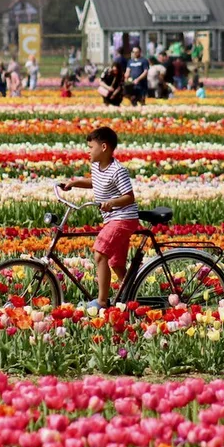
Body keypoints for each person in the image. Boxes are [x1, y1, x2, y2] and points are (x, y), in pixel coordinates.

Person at [58, 126, 140, 310]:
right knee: (116, 263)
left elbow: (129, 197)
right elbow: (95, 182)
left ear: (104, 147)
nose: (88, 151)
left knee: (100, 254)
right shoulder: (96, 166)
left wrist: (112, 202)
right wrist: (74, 183)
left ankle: (102, 301)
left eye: (90, 147)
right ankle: (131, 296)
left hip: (123, 218)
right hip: (112, 219)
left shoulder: (118, 170)